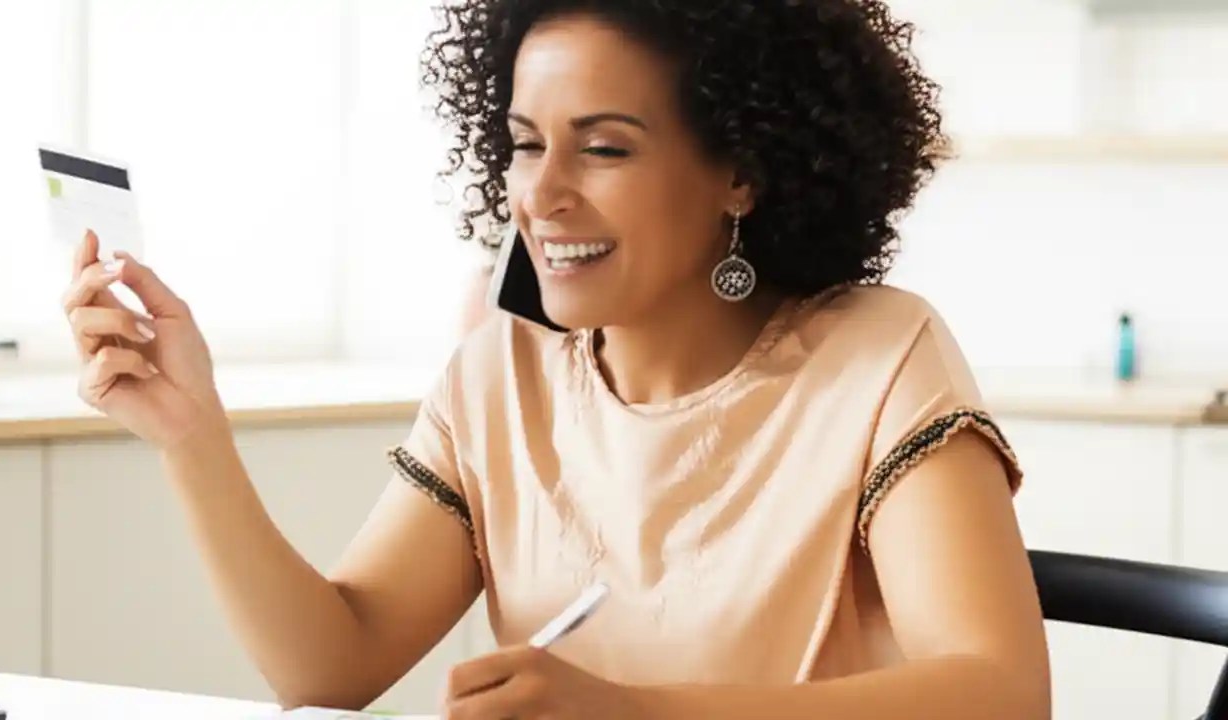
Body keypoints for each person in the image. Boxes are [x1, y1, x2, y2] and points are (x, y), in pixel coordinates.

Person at [59, 1, 1051, 718]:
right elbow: (331, 667)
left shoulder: (878, 358)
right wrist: (190, 435)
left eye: (604, 149)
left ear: (742, 172)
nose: (541, 195)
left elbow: (1000, 695)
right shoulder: (499, 376)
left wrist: (637, 715)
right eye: (526, 144)